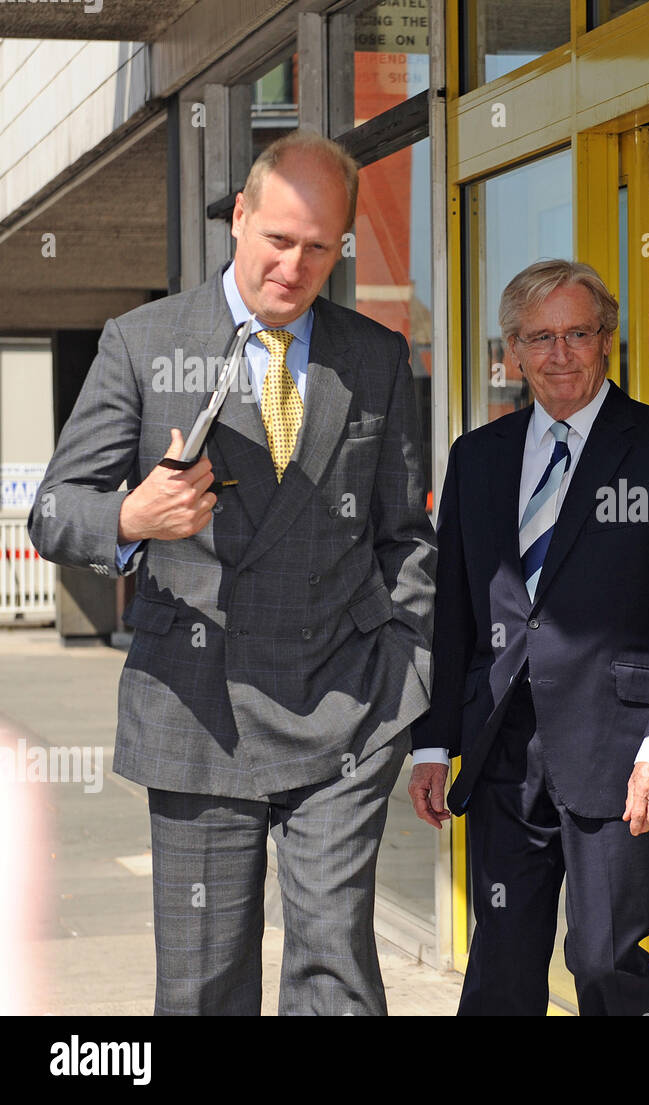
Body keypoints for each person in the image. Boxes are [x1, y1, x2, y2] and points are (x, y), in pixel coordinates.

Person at [28, 131, 436, 1015]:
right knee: (204, 986)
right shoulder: (144, 342)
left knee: (337, 972)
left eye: (319, 247)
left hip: (343, 711)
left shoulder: (374, 355)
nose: (295, 267)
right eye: (278, 239)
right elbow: (54, 510)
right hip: (197, 714)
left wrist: (406, 681)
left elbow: (404, 539)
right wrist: (132, 518)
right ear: (239, 217)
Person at [407, 259, 649, 1015]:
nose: (560, 354)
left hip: (622, 751)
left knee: (604, 958)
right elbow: (452, 613)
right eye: (539, 338)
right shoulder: (478, 456)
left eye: (577, 334)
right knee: (500, 959)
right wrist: (433, 742)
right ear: (514, 352)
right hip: (502, 748)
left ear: (607, 340)